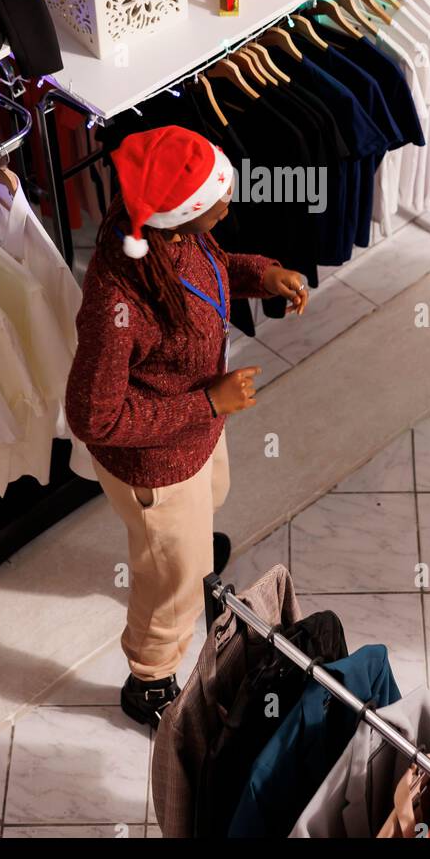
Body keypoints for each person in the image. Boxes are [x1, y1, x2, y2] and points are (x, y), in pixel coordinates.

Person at [66, 125, 308, 727]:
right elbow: (94, 416)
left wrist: (260, 274)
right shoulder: (117, 303)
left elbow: (214, 267)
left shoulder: (172, 238)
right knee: (170, 582)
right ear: (180, 217)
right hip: (154, 460)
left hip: (196, 437)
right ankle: (148, 679)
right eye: (216, 200)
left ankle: (193, 549)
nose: (229, 204)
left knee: (213, 496)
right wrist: (208, 403)